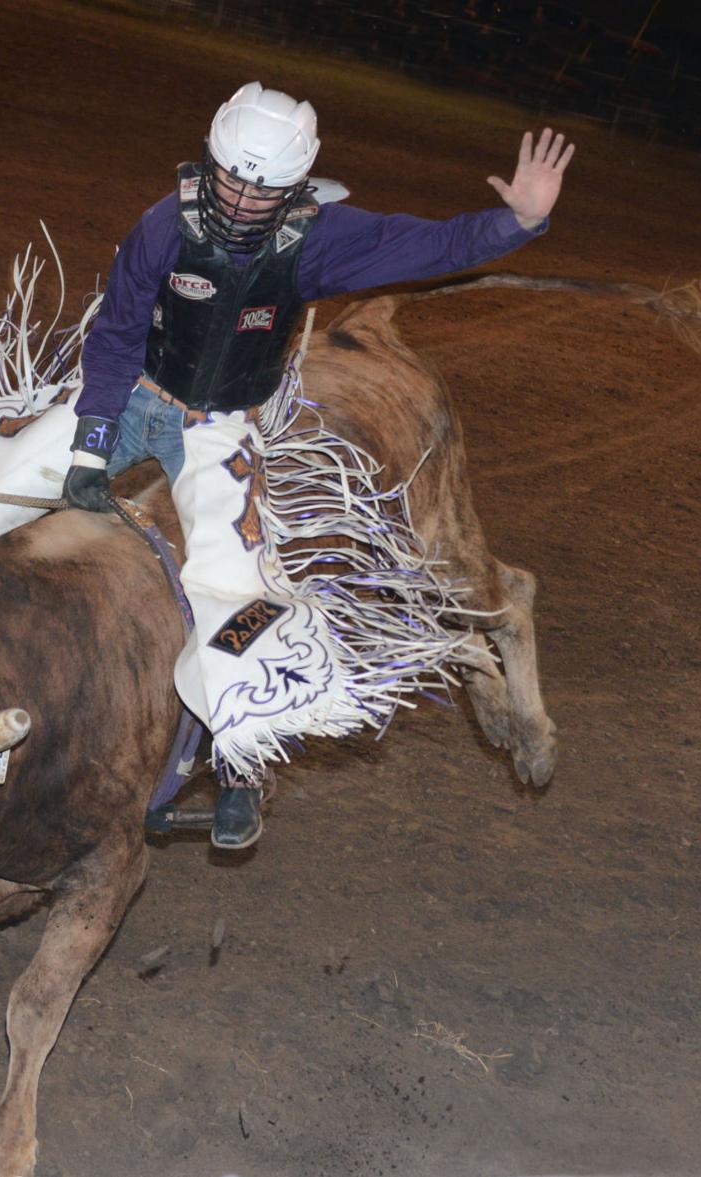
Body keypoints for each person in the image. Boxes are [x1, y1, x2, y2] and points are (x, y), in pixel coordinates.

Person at [58, 82, 574, 850]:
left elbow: (430, 245)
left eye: (259, 189)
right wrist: (92, 439)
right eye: (230, 179)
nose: (237, 201)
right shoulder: (162, 226)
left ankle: (239, 761)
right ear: (210, 163)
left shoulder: (319, 239)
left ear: (293, 190)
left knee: (240, 588)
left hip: (222, 429)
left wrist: (520, 220)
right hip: (138, 396)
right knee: (2, 479)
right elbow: (118, 328)